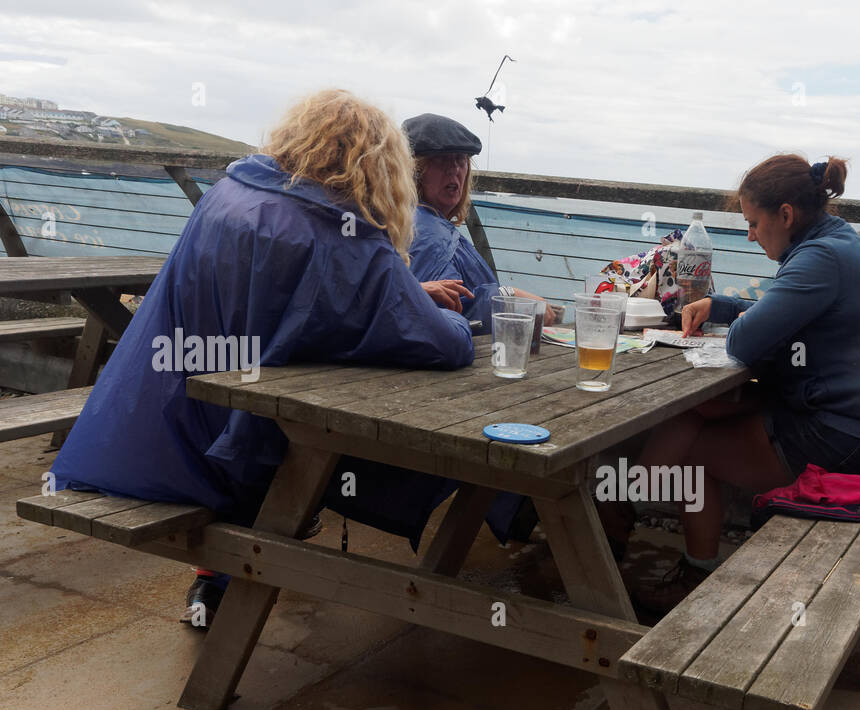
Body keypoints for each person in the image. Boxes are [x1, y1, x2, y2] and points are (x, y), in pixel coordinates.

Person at [50, 90, 485, 626]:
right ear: (385, 164)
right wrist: (450, 315)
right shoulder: (345, 234)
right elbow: (445, 344)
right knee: (419, 446)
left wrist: (407, 295)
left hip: (133, 434)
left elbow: (313, 304)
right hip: (222, 459)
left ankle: (217, 582)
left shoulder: (227, 193)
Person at [628, 152, 860, 614]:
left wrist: (734, 317)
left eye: (754, 223)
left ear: (785, 215)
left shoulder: (822, 257)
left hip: (851, 439)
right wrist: (721, 305)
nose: (750, 234)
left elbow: (745, 341)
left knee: (689, 460)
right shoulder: (835, 243)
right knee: (697, 413)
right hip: (858, 422)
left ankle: (672, 561)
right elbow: (778, 314)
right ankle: (621, 515)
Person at [402, 112, 556, 330]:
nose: (454, 170)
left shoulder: (417, 221)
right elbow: (450, 308)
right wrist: (509, 298)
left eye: (461, 160)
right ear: (414, 171)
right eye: (441, 160)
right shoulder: (427, 231)